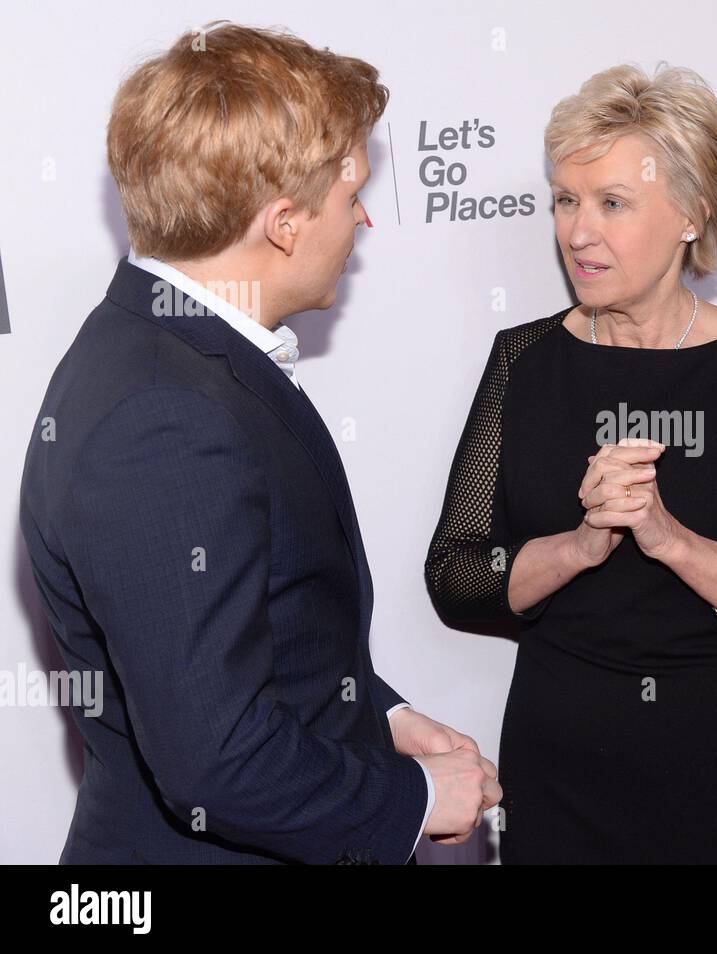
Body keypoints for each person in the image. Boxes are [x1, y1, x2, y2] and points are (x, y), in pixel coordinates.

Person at [19, 22, 499, 864]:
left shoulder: (170, 353)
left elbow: (248, 636)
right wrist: (417, 797)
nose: (364, 222)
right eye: (351, 197)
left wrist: (375, 715)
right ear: (282, 224)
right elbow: (217, 761)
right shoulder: (164, 416)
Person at [425, 63, 717, 863]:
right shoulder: (522, 361)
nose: (577, 231)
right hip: (563, 776)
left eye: (612, 203)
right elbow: (454, 575)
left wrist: (670, 540)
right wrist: (581, 546)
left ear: (691, 213)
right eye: (566, 199)